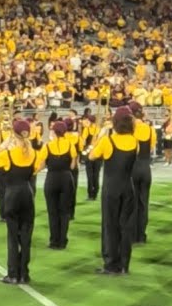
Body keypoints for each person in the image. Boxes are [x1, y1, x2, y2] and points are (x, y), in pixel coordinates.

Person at [88, 107, 139, 276]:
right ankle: (124, 264)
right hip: (128, 187)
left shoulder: (108, 141)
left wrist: (101, 135)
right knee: (125, 227)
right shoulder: (134, 141)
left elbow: (92, 156)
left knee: (110, 226)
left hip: (111, 188)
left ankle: (111, 264)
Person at [0, 119, 41, 285]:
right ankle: (24, 274)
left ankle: (13, 274)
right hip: (28, 194)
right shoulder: (33, 153)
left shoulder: (8, 154)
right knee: (26, 236)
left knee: (13, 237)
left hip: (12, 195)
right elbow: (36, 170)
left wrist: (5, 144)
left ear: (14, 134)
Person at [41, 120, 79, 250]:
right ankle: (63, 241)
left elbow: (41, 165)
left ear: (53, 132)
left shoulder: (47, 146)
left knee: (52, 212)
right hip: (66, 178)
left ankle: (54, 241)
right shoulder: (70, 145)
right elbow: (73, 165)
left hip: (51, 178)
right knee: (64, 211)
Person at [130, 101, 156, 243]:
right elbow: (152, 147)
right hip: (146, 167)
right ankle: (141, 235)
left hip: (133, 166)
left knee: (132, 202)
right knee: (143, 202)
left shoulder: (130, 128)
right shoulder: (150, 129)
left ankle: (133, 234)